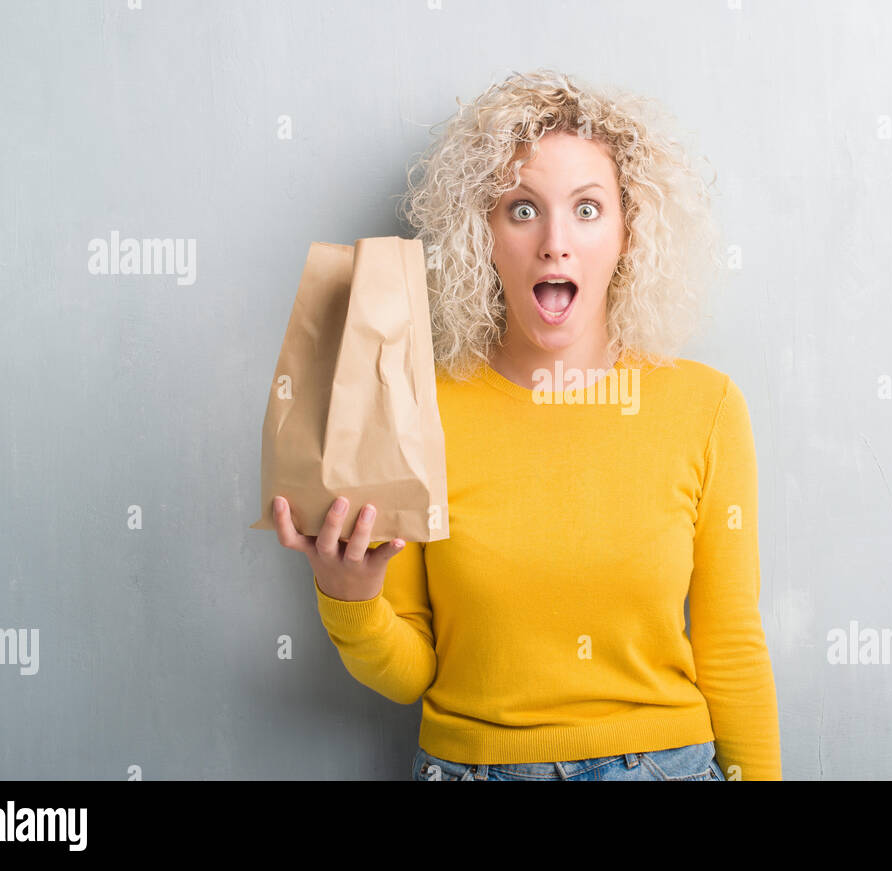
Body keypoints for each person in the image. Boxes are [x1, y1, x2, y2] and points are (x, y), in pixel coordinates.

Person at [272, 68, 781, 780]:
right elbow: (412, 672)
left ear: (629, 233)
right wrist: (349, 599)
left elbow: (731, 649)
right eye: (521, 209)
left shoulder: (707, 409)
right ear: (481, 233)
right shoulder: (420, 406)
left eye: (587, 209)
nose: (555, 243)